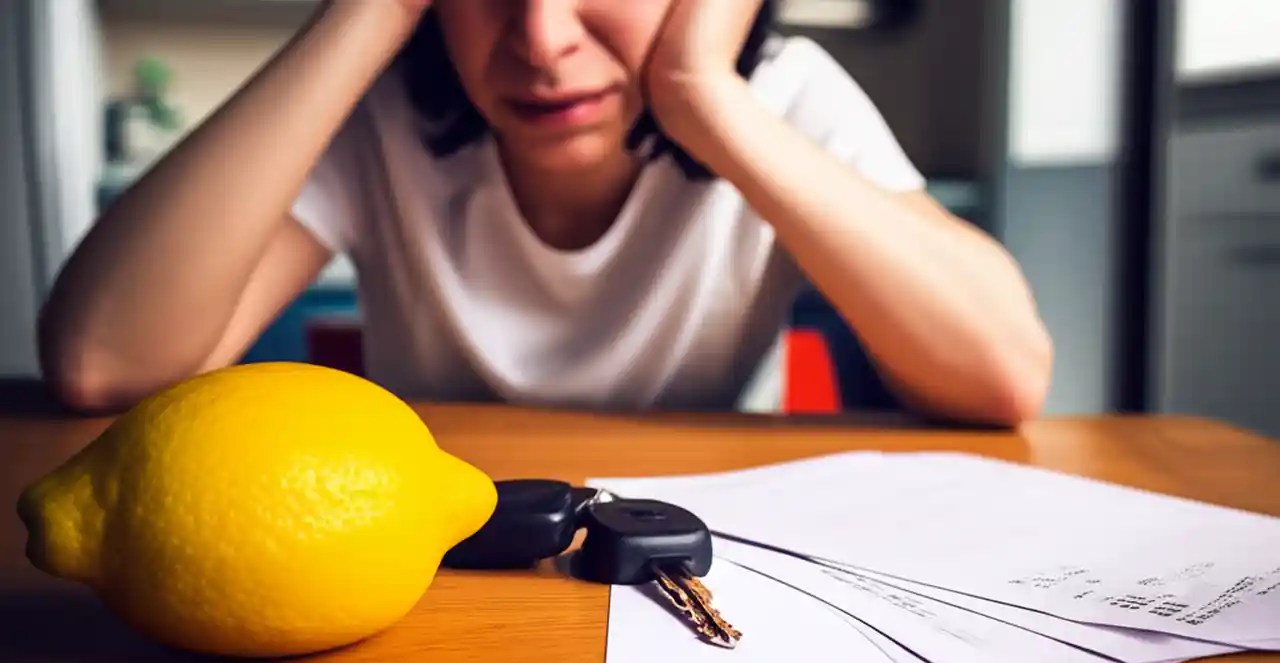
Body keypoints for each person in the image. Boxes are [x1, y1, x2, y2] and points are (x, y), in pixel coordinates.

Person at [39, 0, 1053, 425]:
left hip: (697, 564)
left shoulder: (779, 96)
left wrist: (705, 96)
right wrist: (370, 15)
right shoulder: (386, 113)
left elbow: (1001, 375)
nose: (539, 38)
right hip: (434, 563)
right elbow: (103, 363)